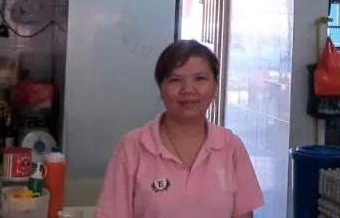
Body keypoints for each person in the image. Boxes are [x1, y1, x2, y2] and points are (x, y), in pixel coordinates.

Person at [95, 40, 264, 218]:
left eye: (200, 79)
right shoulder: (133, 148)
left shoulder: (231, 147)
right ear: (161, 89)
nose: (188, 89)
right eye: (175, 80)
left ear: (215, 86)